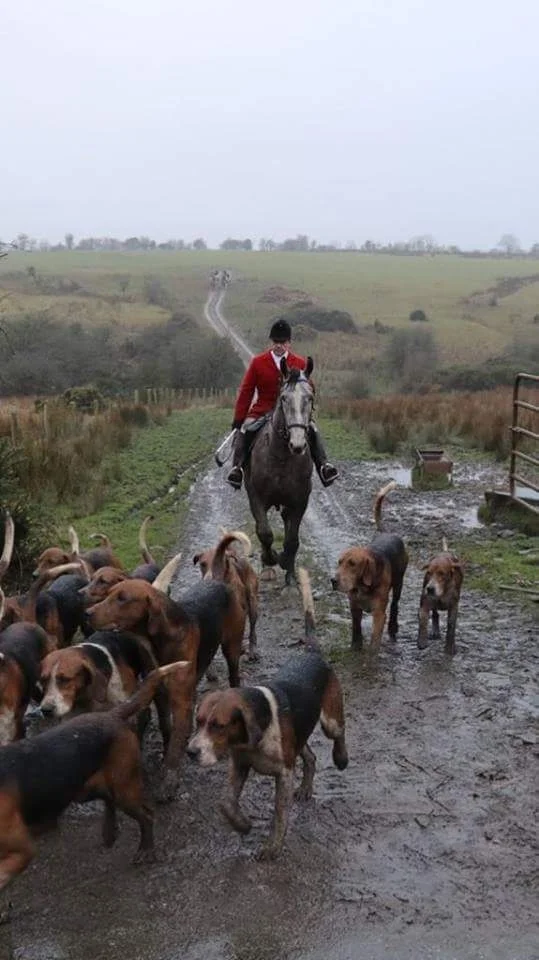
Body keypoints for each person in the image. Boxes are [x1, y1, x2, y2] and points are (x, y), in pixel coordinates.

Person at [226, 318, 339, 490]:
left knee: (313, 429)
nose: (279, 346)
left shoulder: (300, 363)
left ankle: (324, 466)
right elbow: (247, 391)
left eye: (283, 342)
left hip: (293, 413)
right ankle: (237, 469)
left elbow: (309, 390)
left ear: (289, 343)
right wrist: (239, 418)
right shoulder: (258, 362)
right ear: (271, 342)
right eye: (276, 342)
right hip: (262, 411)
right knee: (245, 429)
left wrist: (307, 403)